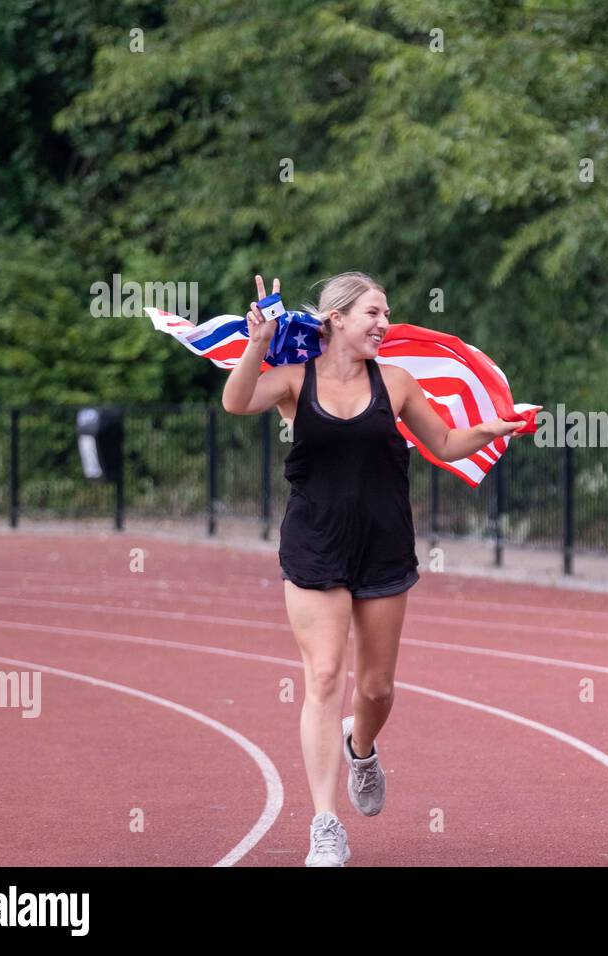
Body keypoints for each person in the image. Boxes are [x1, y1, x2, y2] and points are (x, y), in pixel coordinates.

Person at [222, 272, 524, 866]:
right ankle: (325, 825)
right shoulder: (291, 380)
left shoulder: (397, 382)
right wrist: (257, 342)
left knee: (377, 689)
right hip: (315, 545)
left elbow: (442, 443)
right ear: (336, 319)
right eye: (373, 313)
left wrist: (485, 432)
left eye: (386, 314)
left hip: (384, 543)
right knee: (325, 678)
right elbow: (235, 402)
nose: (384, 324)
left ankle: (361, 748)